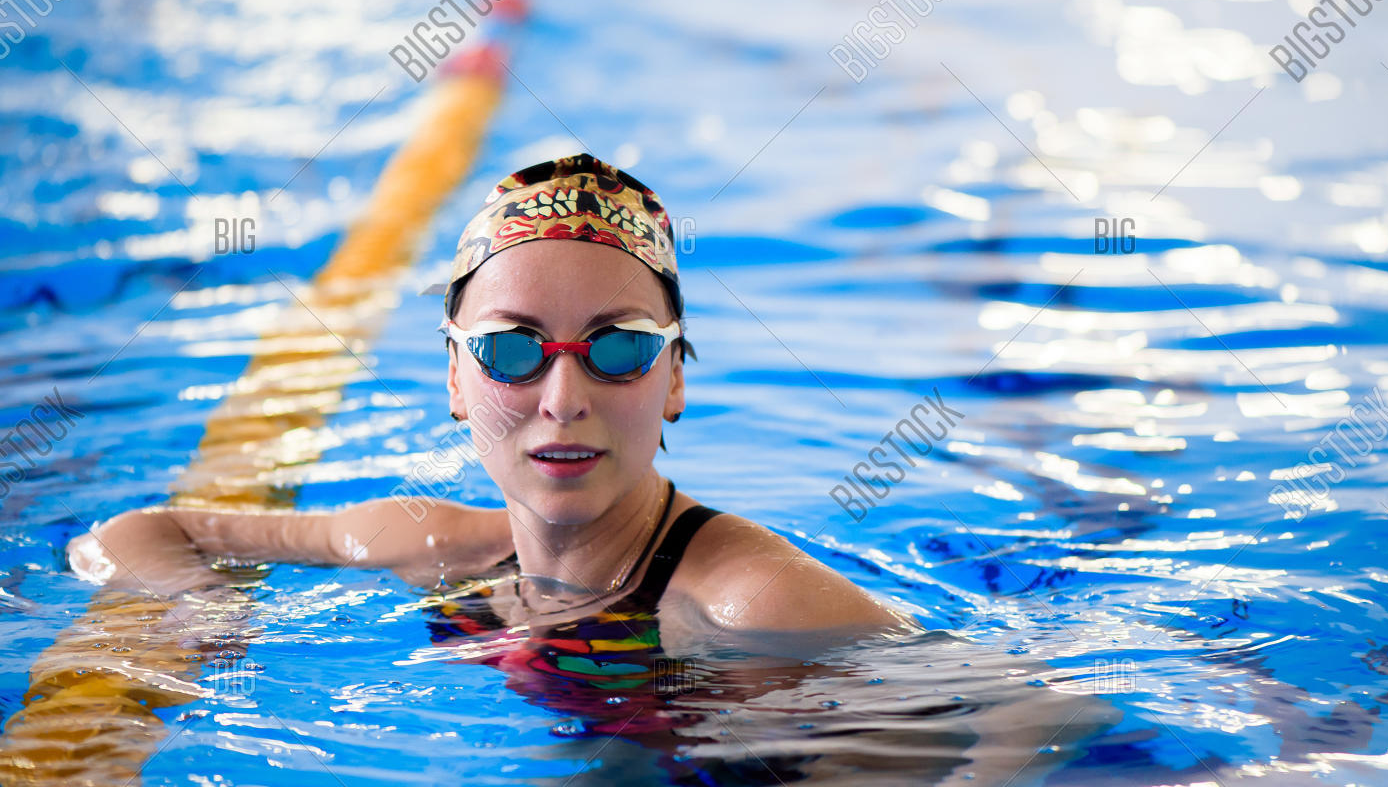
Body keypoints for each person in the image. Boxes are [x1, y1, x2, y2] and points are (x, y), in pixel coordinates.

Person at [69, 154, 917, 664]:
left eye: (617, 346)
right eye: (512, 350)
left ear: (676, 380)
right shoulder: (433, 547)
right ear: (452, 377)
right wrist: (202, 607)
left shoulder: (748, 603)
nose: (563, 399)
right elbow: (132, 534)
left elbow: (1026, 731)